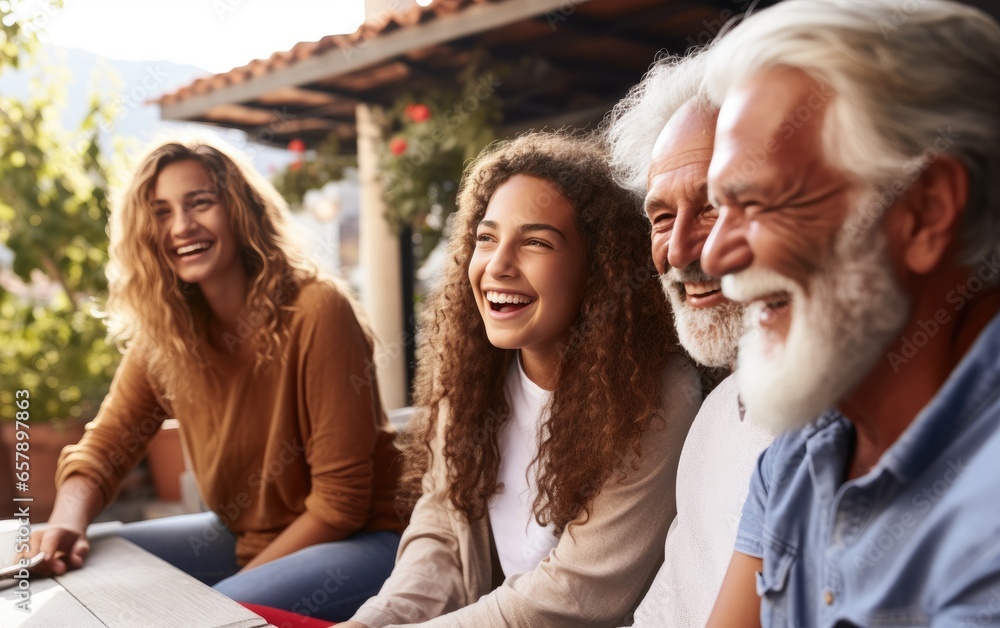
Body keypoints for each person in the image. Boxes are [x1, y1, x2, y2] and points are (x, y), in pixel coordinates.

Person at [697, 1, 1000, 625]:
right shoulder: (798, 458)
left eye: (755, 203)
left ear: (925, 212)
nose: (711, 253)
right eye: (717, 207)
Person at [32, 138, 404, 622]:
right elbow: (104, 448)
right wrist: (66, 524)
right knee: (86, 568)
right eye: (161, 212)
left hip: (366, 541)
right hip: (242, 537)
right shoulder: (169, 334)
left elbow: (340, 506)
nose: (181, 226)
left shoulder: (318, 310)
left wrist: (212, 599)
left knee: (193, 617)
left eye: (199, 202)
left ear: (240, 209)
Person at [344, 132, 702, 627]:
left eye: (535, 242)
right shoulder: (472, 377)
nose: (498, 265)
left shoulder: (655, 394)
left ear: (597, 268)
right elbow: (442, 534)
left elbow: (576, 596)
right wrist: (375, 621)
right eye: (486, 238)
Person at [603, 47, 773, 627]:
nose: (678, 252)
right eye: (660, 217)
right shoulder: (719, 416)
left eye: (714, 206)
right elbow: (666, 611)